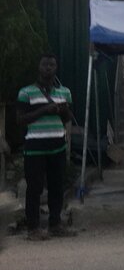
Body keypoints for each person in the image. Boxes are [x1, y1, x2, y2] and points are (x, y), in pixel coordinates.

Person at [17, 54, 76, 240]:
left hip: (57, 145)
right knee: (34, 188)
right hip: (35, 146)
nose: (48, 68)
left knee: (57, 186)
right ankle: (33, 228)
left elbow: (67, 119)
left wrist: (63, 109)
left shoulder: (64, 92)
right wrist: (44, 110)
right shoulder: (26, 92)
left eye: (52, 65)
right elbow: (20, 120)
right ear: (39, 67)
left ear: (56, 68)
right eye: (45, 64)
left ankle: (55, 224)